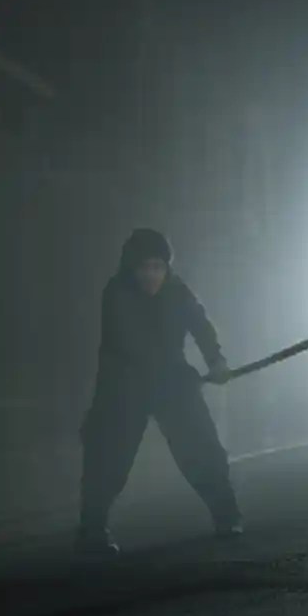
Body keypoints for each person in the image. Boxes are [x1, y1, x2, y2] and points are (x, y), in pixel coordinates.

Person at [75, 228, 242, 557]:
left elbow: (200, 325)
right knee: (108, 459)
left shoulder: (178, 291)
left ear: (167, 268)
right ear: (131, 269)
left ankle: (227, 515)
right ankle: (91, 529)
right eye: (143, 267)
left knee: (201, 445)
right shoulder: (117, 294)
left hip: (171, 383)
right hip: (123, 387)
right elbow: (133, 345)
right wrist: (182, 375)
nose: (150, 275)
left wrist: (216, 359)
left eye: (157, 267)